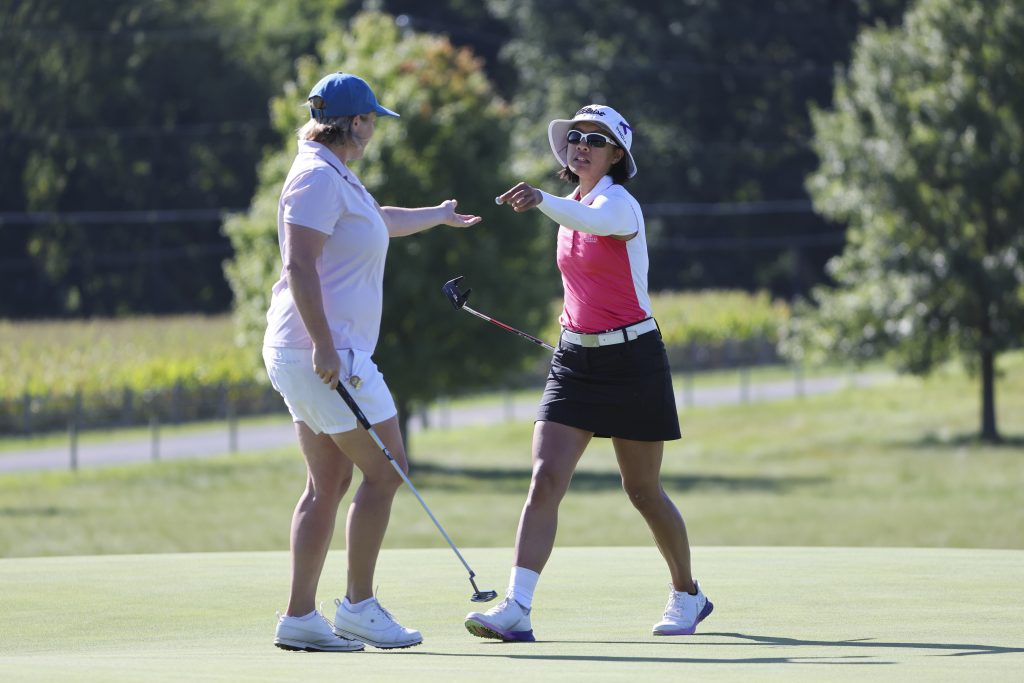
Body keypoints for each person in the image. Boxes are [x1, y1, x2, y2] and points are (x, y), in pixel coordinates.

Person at [464, 104, 712, 642]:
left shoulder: (620, 204)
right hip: (575, 360)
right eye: (574, 137)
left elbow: (597, 222)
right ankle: (517, 607)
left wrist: (542, 199)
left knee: (642, 489)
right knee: (545, 477)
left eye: (594, 140)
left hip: (633, 359)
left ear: (616, 154)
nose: (580, 145)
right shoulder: (569, 205)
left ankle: (688, 595)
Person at [265, 72, 481, 652]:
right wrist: (325, 347)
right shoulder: (314, 176)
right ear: (355, 123)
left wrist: (436, 214)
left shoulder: (332, 175)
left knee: (328, 482)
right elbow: (299, 268)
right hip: (327, 352)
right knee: (386, 472)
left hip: (310, 350)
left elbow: (376, 221)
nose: (374, 130)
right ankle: (358, 606)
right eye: (371, 121)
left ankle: (300, 617)